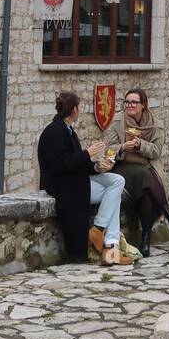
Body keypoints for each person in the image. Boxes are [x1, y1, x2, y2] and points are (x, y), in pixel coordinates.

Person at [38, 91, 133, 266]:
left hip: (77, 179)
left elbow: (79, 162)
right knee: (113, 195)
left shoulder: (67, 130)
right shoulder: (54, 132)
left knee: (117, 181)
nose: (79, 110)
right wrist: (87, 153)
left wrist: (98, 166)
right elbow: (59, 165)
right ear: (74, 110)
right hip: (66, 186)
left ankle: (98, 230)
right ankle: (110, 248)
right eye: (78, 107)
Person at [105, 88, 169, 257]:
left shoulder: (155, 124)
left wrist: (140, 144)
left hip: (147, 165)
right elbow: (108, 150)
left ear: (143, 105)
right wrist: (123, 147)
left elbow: (156, 151)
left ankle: (145, 240)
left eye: (134, 102)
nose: (129, 105)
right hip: (122, 166)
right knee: (144, 175)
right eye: (127, 102)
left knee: (147, 192)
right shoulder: (118, 121)